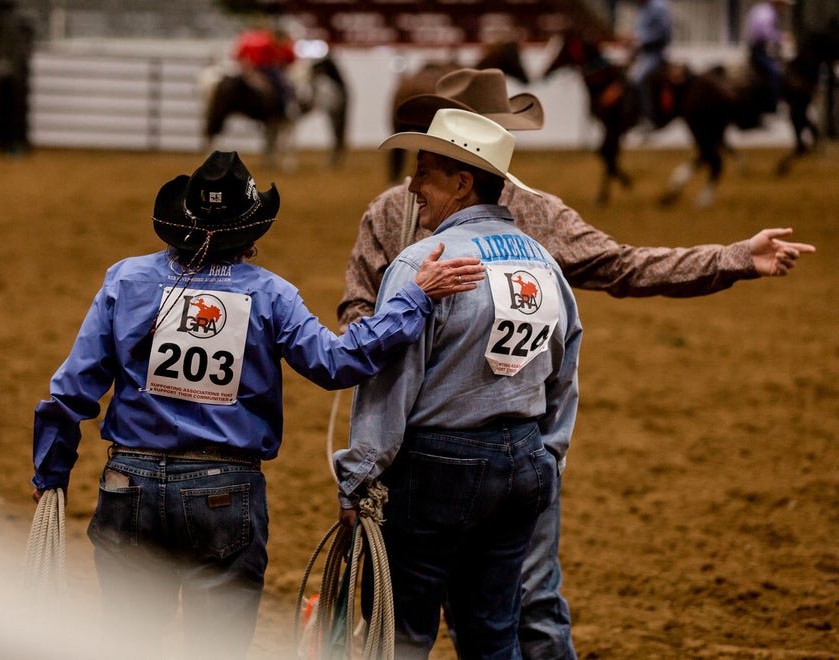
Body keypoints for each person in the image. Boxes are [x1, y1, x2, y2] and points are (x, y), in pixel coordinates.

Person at [336, 67, 817, 660]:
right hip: (510, 447)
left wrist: (734, 256)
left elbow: (623, 265)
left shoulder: (522, 215)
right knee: (505, 611)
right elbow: (360, 313)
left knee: (464, 610)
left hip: (430, 451)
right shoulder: (421, 216)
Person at [30, 150, 484, 658]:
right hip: (224, 491)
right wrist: (413, 298)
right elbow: (336, 363)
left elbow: (71, 390)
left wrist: (50, 474)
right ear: (251, 232)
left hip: (128, 484)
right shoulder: (271, 294)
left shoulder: (126, 281)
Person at [333, 108, 583, 658]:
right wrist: (548, 456)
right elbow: (565, 367)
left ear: (463, 182)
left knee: (398, 635)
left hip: (436, 468)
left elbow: (390, 384)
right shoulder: (545, 263)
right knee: (493, 633)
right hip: (522, 461)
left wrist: (358, 479)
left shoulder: (425, 263)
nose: (414, 185)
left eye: (425, 172)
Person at [233, 22, 296, 116]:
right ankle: (282, 111)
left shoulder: (248, 39)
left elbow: (238, 56)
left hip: (251, 69)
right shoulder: (267, 42)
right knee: (283, 86)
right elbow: (275, 58)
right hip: (264, 68)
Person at [627, 0, 673, 126]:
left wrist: (640, 40)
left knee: (638, 79)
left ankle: (648, 117)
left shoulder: (659, 7)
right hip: (643, 54)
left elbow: (664, 33)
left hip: (655, 54)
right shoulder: (642, 8)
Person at [744, 0, 793, 112]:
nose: (784, 9)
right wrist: (781, 38)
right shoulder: (768, 14)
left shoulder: (761, 9)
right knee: (775, 72)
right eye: (784, 6)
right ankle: (774, 103)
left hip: (759, 47)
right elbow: (765, 32)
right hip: (758, 49)